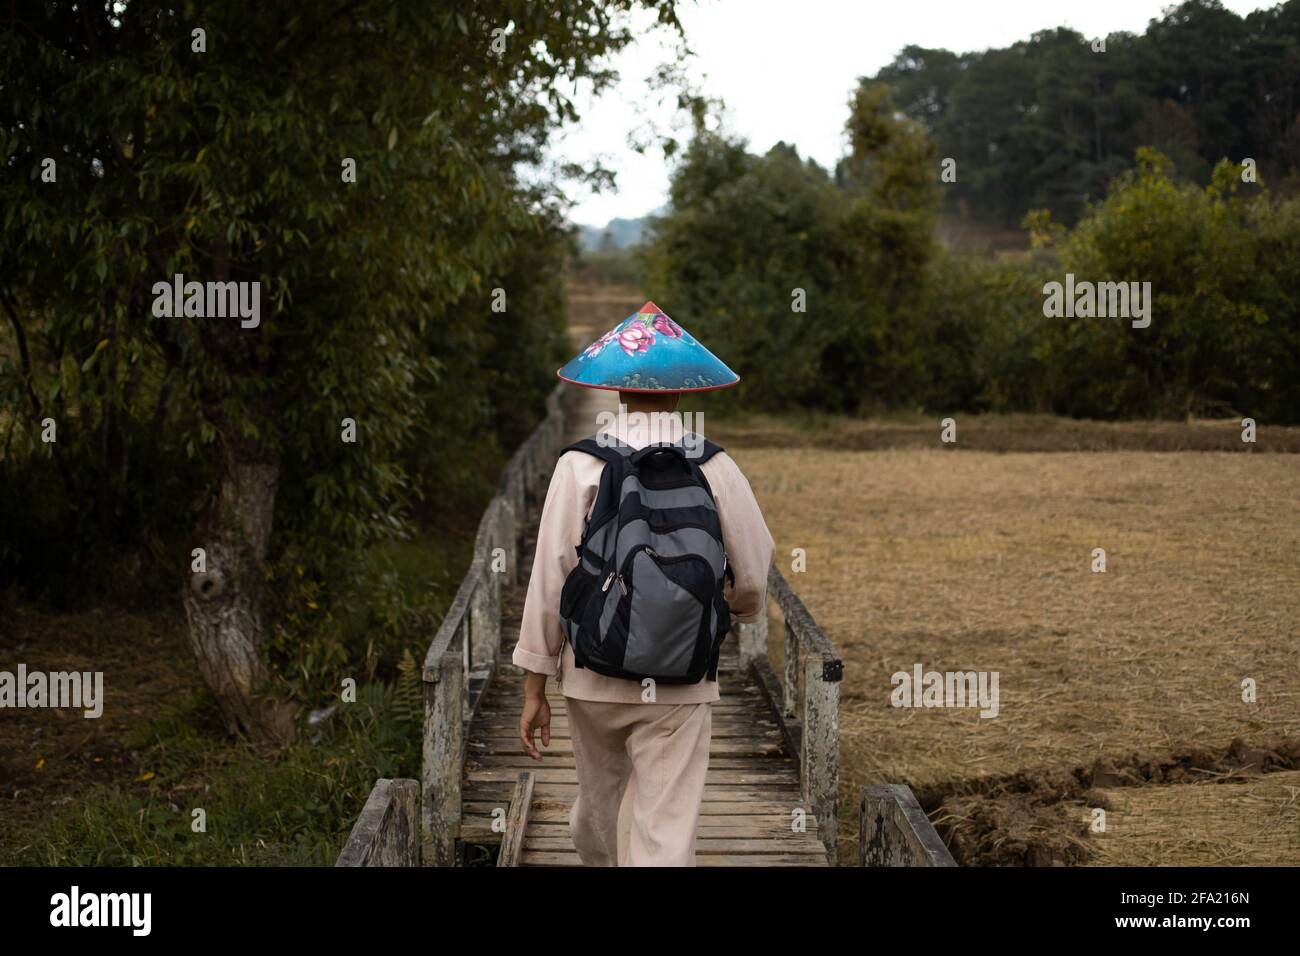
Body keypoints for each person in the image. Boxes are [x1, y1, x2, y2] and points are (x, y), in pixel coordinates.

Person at [511, 301, 775, 866]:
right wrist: (728, 610)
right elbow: (754, 567)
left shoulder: (580, 464)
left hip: (593, 670)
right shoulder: (714, 464)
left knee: (600, 804)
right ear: (683, 392)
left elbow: (550, 576)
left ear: (618, 390)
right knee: (666, 821)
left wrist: (535, 684)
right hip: (683, 672)